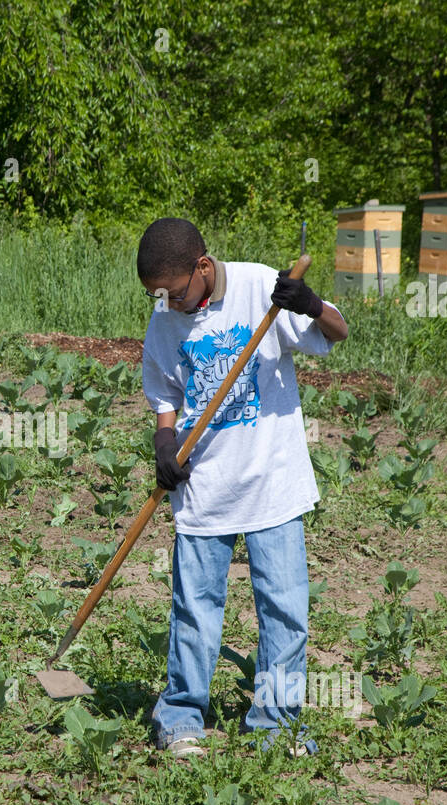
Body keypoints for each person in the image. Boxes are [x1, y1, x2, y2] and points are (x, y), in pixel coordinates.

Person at [137, 217, 348, 757]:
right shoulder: (166, 316)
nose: (168, 304)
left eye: (175, 293)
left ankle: (275, 724)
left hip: (273, 484)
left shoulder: (262, 289)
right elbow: (164, 394)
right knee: (195, 607)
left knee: (284, 610)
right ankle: (182, 716)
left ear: (203, 268)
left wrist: (310, 303)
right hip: (205, 490)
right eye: (158, 296)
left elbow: (338, 332)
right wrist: (164, 444)